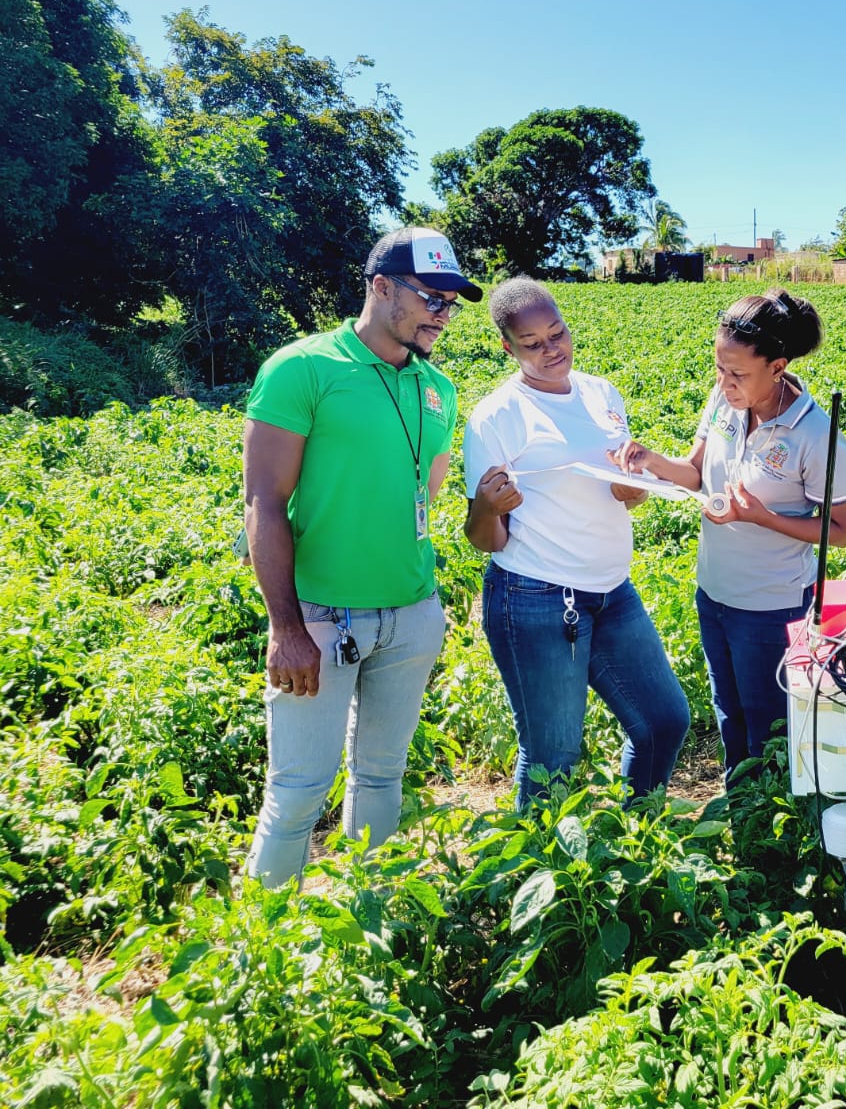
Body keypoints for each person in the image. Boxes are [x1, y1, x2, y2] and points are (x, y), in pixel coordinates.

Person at [241, 226, 481, 888]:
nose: (443, 313)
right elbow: (263, 499)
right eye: (431, 297)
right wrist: (285, 627)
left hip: (412, 614)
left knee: (381, 776)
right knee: (297, 792)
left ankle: (367, 910)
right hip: (321, 618)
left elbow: (424, 491)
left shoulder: (437, 388)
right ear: (380, 287)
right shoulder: (303, 369)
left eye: (452, 302)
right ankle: (260, 951)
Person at [463, 278, 689, 809]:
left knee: (664, 720)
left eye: (557, 333)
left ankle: (637, 836)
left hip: (612, 592)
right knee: (553, 755)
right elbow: (484, 540)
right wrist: (487, 506)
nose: (550, 350)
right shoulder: (496, 415)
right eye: (532, 343)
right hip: (535, 598)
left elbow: (622, 495)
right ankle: (545, 874)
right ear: (508, 347)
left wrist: (633, 488)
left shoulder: (600, 393)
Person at [615, 289, 846, 784]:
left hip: (772, 605)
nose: (725, 384)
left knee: (768, 724)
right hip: (714, 592)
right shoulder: (723, 403)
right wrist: (651, 461)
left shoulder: (816, 436)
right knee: (729, 712)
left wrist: (763, 518)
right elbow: (695, 471)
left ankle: (769, 824)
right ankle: (740, 808)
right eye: (720, 370)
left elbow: (841, 532)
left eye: (738, 374)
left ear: (778, 365)